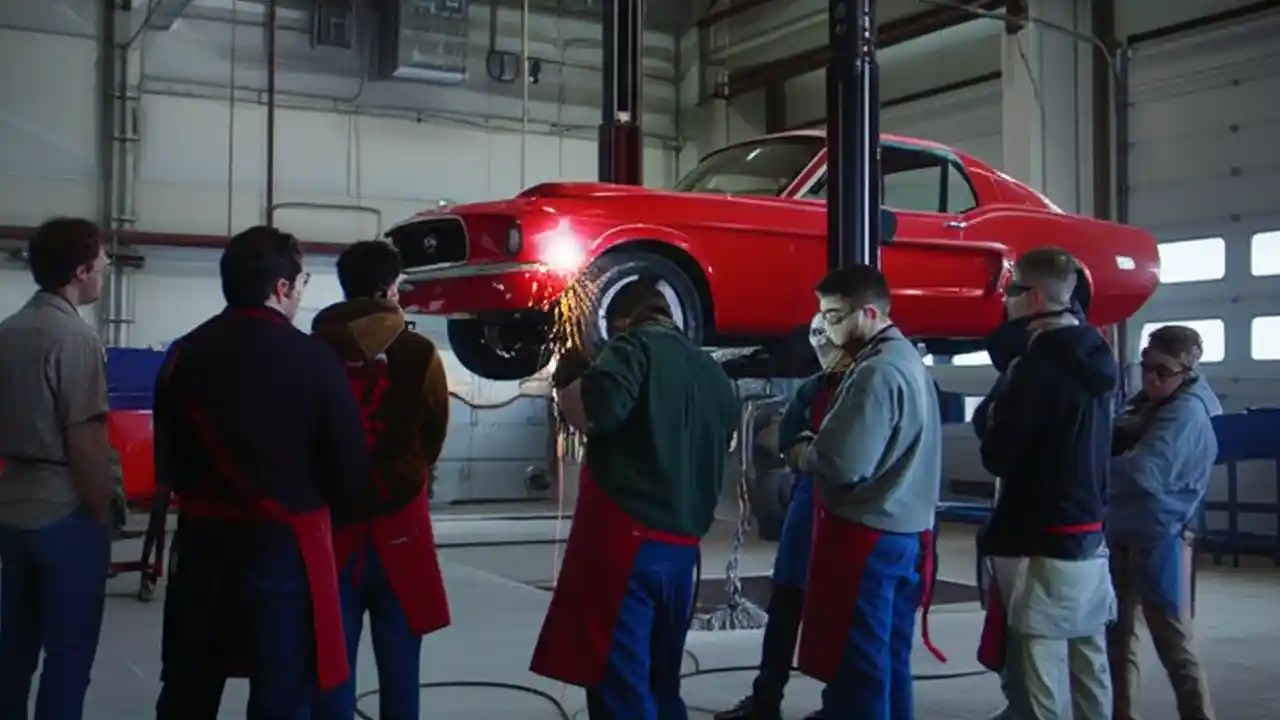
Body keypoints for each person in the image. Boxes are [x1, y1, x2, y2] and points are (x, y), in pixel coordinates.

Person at [153, 226, 372, 718]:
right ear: (282, 287)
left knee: (190, 686)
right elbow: (349, 468)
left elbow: (168, 454)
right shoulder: (314, 359)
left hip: (202, 543)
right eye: (302, 283)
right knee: (282, 690)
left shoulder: (184, 354)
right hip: (283, 545)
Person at [529, 280, 740, 719]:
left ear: (622, 321)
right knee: (662, 683)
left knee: (622, 685)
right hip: (682, 555)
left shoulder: (633, 347)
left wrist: (570, 381)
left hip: (627, 547)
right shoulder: (713, 373)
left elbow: (596, 412)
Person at [789, 264, 945, 719]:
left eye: (835, 316)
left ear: (871, 313)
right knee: (890, 663)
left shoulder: (875, 373)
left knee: (860, 673)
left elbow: (844, 463)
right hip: (908, 535)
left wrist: (802, 452)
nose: (827, 328)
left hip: (868, 540)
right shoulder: (908, 359)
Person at [972, 246, 1117, 720]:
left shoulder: (1036, 368)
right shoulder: (1097, 358)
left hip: (1040, 539)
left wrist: (995, 413)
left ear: (1033, 297)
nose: (1005, 299)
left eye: (1010, 289)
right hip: (1089, 534)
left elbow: (998, 453)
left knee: (1040, 677)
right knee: (1090, 665)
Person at [311, 240, 452, 720]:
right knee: (400, 670)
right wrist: (404, 473)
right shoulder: (418, 352)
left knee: (330, 667)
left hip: (332, 526)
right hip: (401, 524)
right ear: (390, 289)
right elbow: (433, 433)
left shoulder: (313, 352)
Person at [0, 217, 113, 720]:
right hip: (64, 507)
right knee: (68, 652)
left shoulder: (7, 331)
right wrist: (102, 512)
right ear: (81, 271)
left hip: (11, 503)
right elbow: (85, 440)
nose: (104, 270)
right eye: (102, 264)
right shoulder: (75, 338)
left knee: (13, 647)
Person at [716, 313, 852, 720]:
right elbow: (787, 440)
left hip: (842, 510)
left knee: (834, 612)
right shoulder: (816, 388)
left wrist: (809, 452)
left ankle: (834, 702)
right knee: (790, 602)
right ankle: (769, 697)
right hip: (812, 504)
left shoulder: (865, 384)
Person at [1107, 326, 1220, 720]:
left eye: (1163, 371)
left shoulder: (1187, 413)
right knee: (1117, 637)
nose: (1152, 378)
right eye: (1146, 368)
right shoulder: (1143, 405)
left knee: (1173, 641)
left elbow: (1144, 471)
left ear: (1186, 371)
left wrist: (1092, 471)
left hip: (1162, 538)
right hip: (1124, 529)